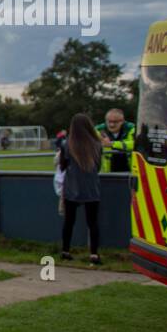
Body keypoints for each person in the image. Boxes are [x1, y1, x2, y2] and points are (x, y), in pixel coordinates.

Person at [59, 113, 103, 265]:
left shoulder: (66, 144)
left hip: (72, 187)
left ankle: (65, 251)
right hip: (92, 187)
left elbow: (62, 165)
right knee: (93, 222)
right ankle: (94, 254)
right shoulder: (97, 144)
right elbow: (98, 167)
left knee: (69, 221)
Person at [96, 108, 135, 174]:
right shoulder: (99, 130)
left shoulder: (131, 128)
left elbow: (134, 144)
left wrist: (112, 144)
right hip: (106, 174)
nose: (112, 125)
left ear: (122, 121)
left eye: (115, 122)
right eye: (109, 121)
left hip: (130, 173)